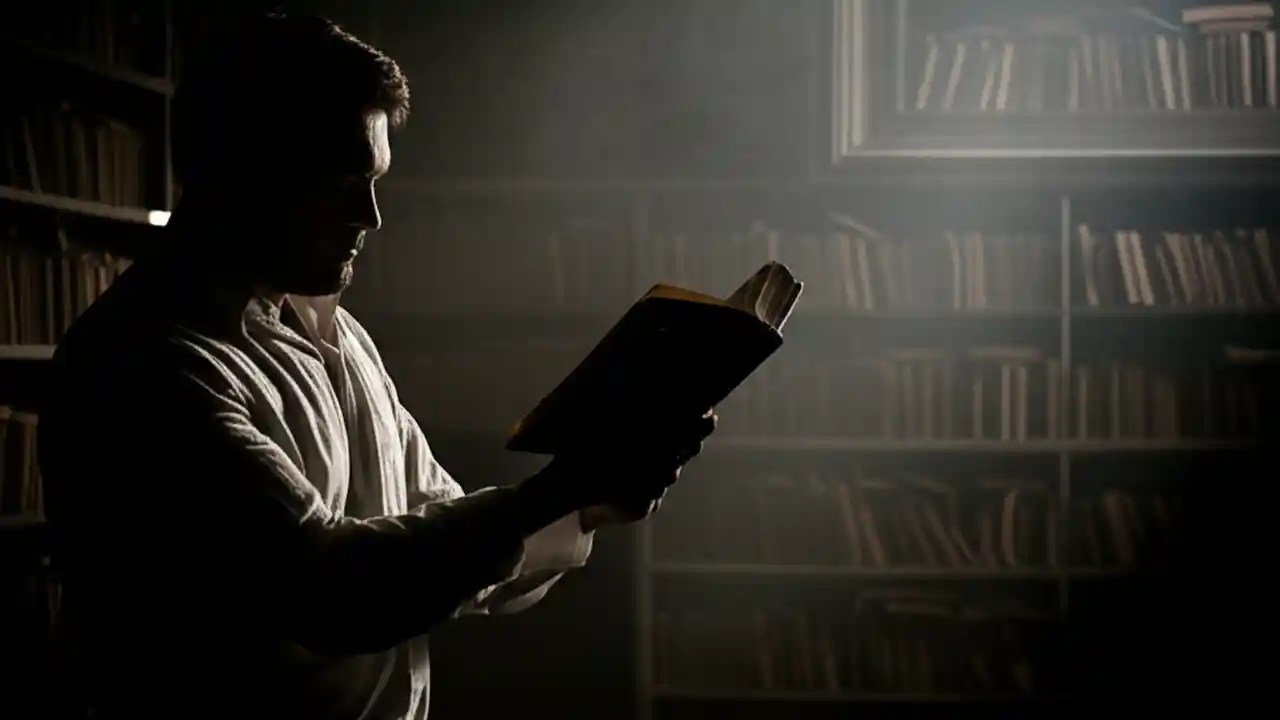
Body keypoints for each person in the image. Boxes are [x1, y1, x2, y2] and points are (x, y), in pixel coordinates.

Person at [35, 12, 716, 720]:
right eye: (340, 185)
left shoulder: (343, 337)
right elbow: (324, 591)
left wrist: (588, 503)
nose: (371, 217)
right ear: (236, 173)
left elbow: (438, 534)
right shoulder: (143, 365)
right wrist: (554, 493)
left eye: (376, 181)